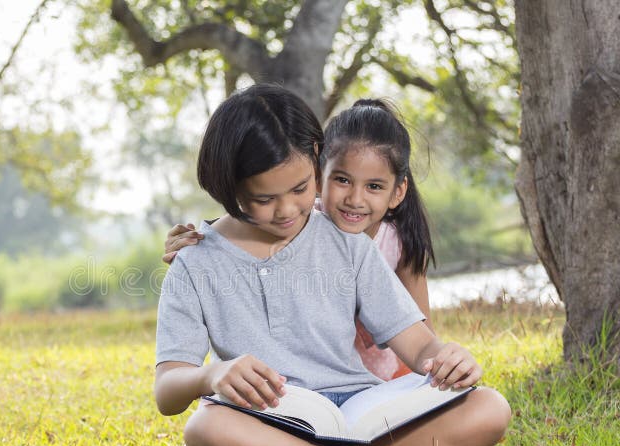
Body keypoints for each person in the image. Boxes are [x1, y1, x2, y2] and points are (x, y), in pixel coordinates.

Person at [155, 84, 510, 446]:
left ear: (318, 160)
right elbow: (168, 390)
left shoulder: (347, 242)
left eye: (302, 188)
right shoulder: (195, 262)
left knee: (489, 408)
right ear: (227, 186)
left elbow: (418, 344)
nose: (287, 210)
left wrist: (448, 357)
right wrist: (211, 376)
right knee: (205, 431)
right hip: (269, 418)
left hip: (362, 411)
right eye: (265, 199)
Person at [162, 99, 435, 381]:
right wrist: (204, 250)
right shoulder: (298, 223)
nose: (355, 200)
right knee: (207, 426)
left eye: (374, 186)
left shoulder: (398, 242)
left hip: (382, 376)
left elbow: (423, 339)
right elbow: (254, 211)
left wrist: (438, 365)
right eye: (342, 180)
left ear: (396, 191)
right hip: (309, 379)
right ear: (321, 173)